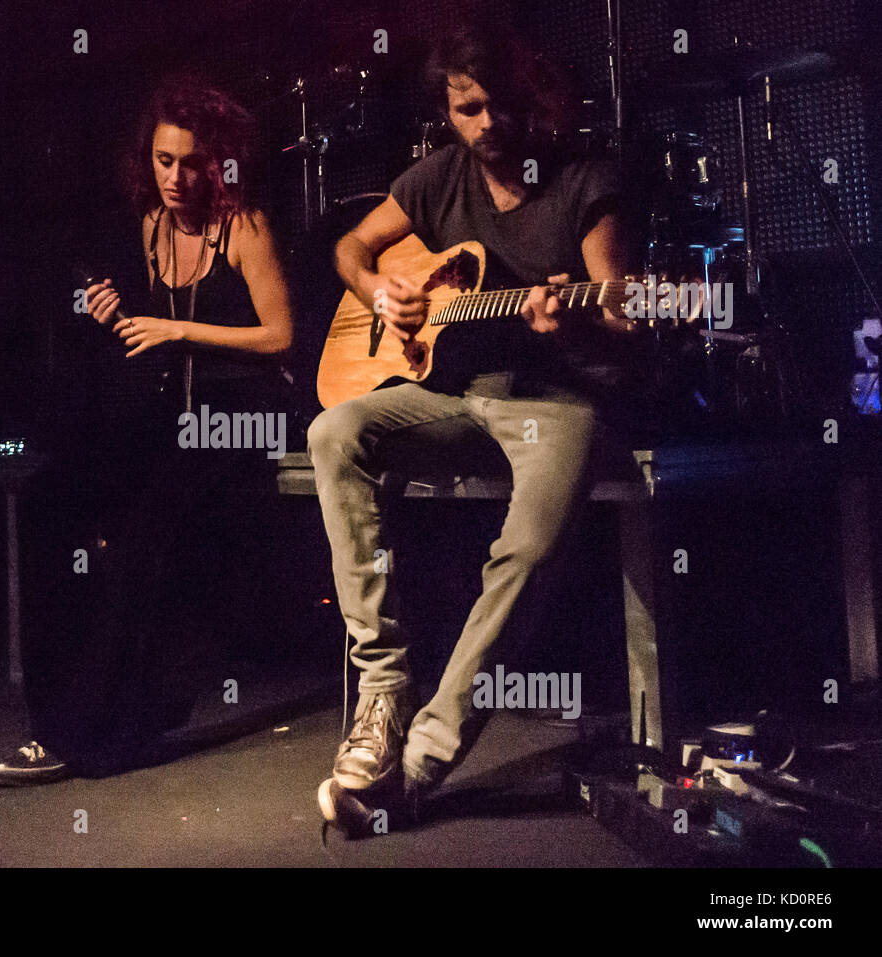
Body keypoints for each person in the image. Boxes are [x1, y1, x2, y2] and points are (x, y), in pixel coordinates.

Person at [311, 20, 644, 834]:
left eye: (497, 105)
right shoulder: (437, 177)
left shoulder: (584, 181)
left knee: (525, 549)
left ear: (530, 103)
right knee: (333, 432)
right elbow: (351, 248)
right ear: (447, 112)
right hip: (462, 393)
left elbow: (629, 316)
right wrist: (379, 294)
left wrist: (565, 321)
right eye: (466, 109)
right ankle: (383, 685)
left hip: (557, 401)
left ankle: (421, 761)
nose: (485, 123)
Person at [0, 78, 294, 785]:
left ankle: (90, 731)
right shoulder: (151, 226)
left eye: (190, 163)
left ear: (216, 163)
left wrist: (178, 328)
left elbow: (280, 336)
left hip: (240, 417)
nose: (176, 179)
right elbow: (144, 338)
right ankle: (57, 717)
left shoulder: (243, 227)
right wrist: (108, 308)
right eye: (163, 161)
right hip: (170, 418)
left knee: (137, 535)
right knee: (48, 498)